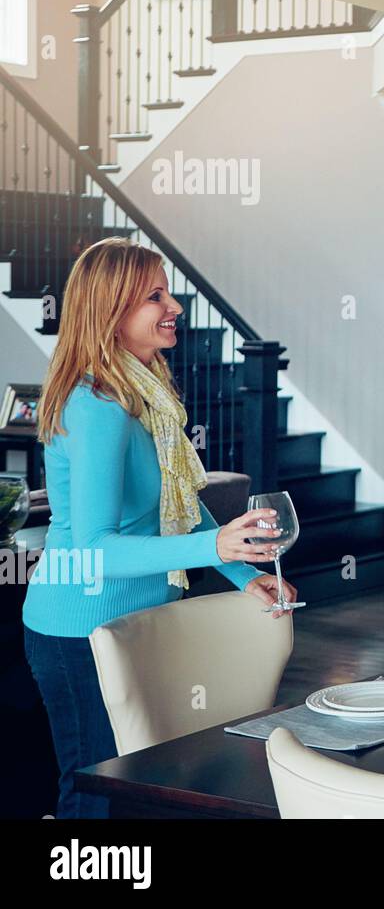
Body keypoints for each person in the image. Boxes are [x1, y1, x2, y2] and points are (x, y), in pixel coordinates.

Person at [24, 238, 294, 818]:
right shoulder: (96, 404)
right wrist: (213, 545)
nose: (173, 306)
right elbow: (92, 550)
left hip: (141, 618)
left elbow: (181, 504)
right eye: (154, 295)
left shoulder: (145, 392)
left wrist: (241, 573)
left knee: (144, 785)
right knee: (97, 794)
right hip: (81, 627)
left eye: (167, 290)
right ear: (111, 312)